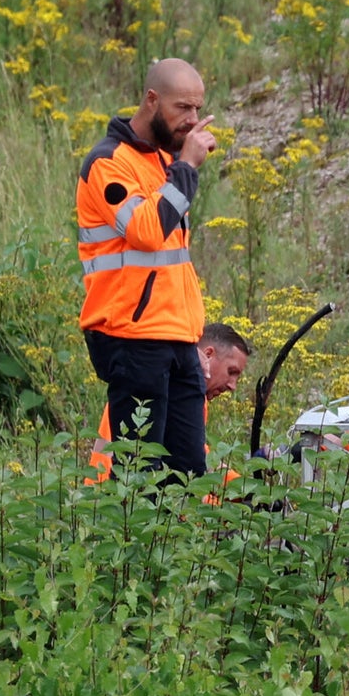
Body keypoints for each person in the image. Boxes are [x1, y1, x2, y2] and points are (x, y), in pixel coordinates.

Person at [77, 58, 218, 476]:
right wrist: (186, 167)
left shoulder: (161, 162)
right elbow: (147, 231)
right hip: (132, 338)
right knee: (138, 472)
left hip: (177, 338)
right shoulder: (107, 163)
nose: (192, 120)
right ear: (152, 100)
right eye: (183, 108)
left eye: (198, 109)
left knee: (188, 474)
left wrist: (191, 336)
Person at [88, 322, 252, 479]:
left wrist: (239, 486)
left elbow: (200, 457)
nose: (233, 386)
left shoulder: (186, 394)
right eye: (231, 371)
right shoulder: (168, 389)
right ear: (208, 355)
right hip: (114, 491)